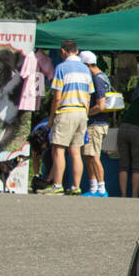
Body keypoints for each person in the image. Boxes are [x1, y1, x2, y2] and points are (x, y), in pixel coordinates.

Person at [39, 40, 92, 195]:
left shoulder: (61, 68)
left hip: (66, 111)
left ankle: (57, 185)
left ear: (63, 51)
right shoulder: (85, 69)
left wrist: (51, 119)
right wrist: (86, 115)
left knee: (58, 149)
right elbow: (89, 96)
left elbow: (57, 96)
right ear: (76, 51)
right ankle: (76, 187)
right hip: (82, 112)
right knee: (76, 151)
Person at [79, 51, 111, 196]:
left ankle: (101, 188)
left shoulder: (97, 79)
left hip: (96, 123)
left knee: (93, 156)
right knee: (87, 155)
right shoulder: (103, 76)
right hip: (97, 123)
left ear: (87, 65)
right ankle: (93, 187)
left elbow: (100, 105)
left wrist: (84, 113)